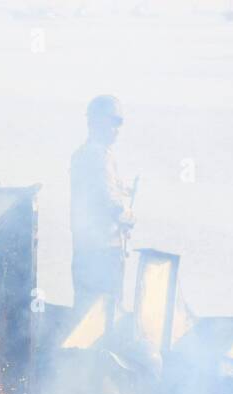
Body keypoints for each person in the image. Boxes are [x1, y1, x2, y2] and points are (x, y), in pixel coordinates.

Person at [71, 94, 133, 316]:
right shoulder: (97, 155)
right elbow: (108, 201)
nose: (117, 128)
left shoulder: (83, 155)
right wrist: (126, 215)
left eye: (119, 123)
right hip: (102, 252)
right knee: (106, 313)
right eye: (114, 121)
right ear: (97, 122)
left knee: (86, 313)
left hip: (85, 251)